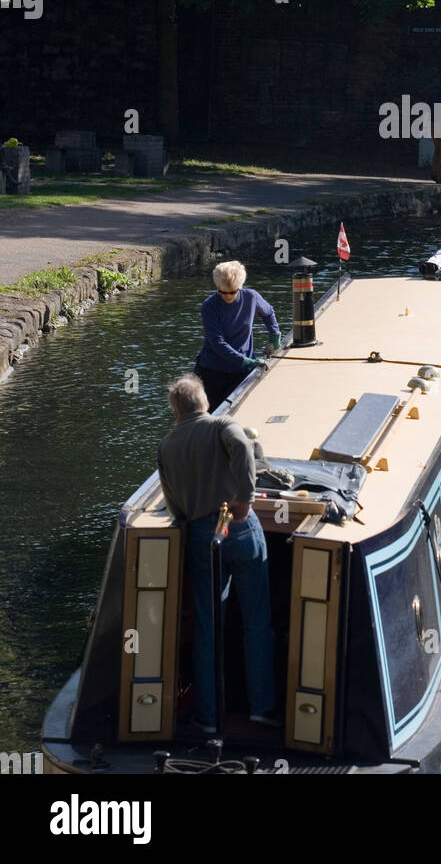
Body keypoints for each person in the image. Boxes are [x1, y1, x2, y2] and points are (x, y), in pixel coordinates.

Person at [157, 374, 277, 735]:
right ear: (204, 401)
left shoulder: (166, 445)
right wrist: (245, 497)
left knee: (208, 628)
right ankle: (262, 709)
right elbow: (241, 445)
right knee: (257, 621)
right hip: (238, 529)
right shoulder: (222, 424)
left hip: (199, 536)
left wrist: (187, 519)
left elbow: (172, 500)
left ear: (176, 410)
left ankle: (208, 718)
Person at [194, 260, 282, 412]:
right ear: (217, 287)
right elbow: (217, 343)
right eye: (223, 292)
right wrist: (246, 361)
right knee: (209, 416)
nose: (228, 296)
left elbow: (268, 313)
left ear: (240, 287)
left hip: (241, 371)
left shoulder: (251, 297)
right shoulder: (209, 306)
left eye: (233, 292)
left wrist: (274, 336)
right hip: (213, 371)